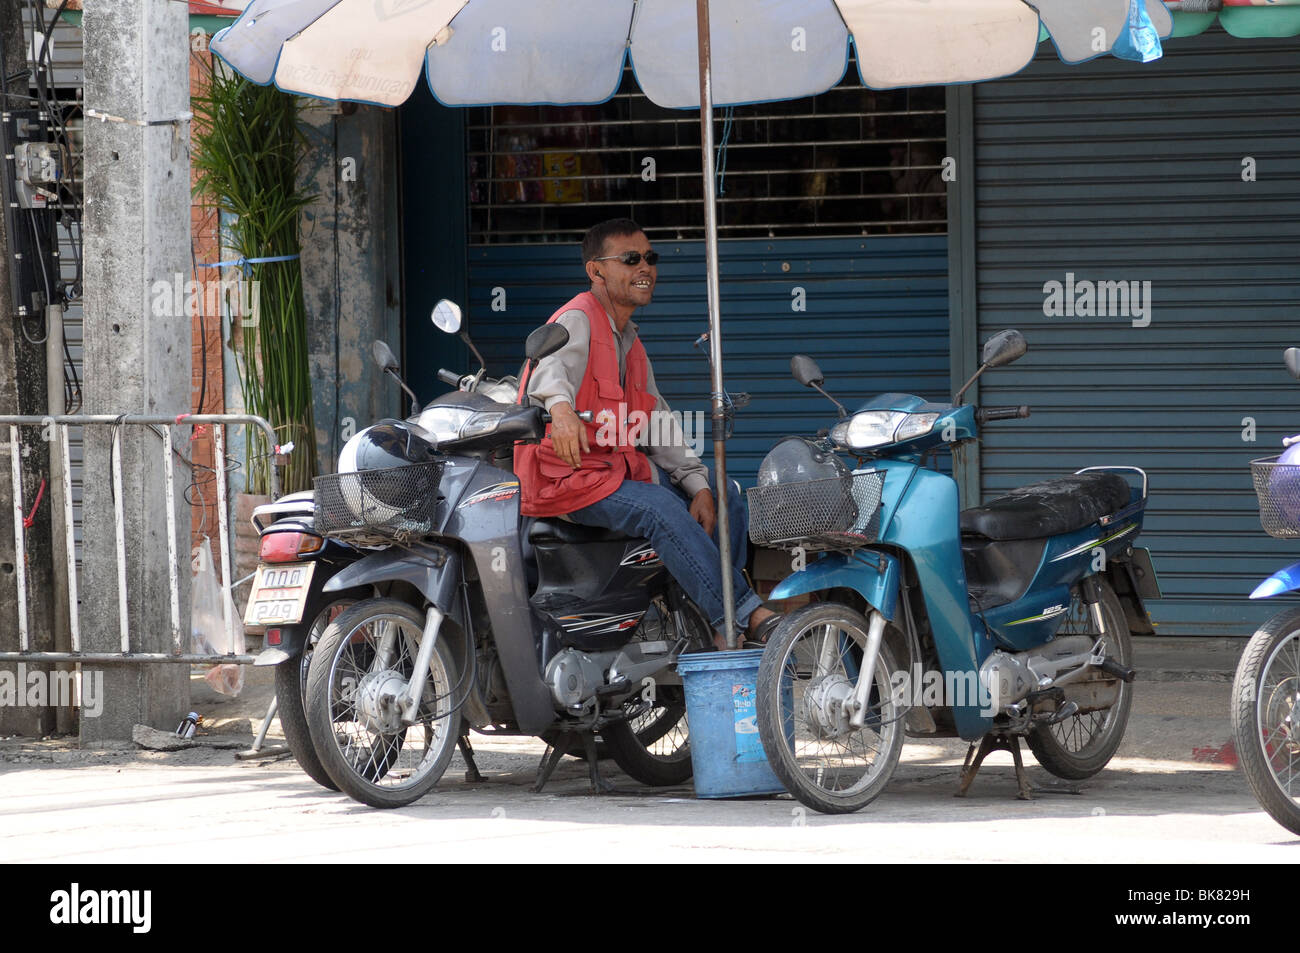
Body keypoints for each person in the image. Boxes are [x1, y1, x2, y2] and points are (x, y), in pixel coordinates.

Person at [514, 218, 779, 649]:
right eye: (630, 259)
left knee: (724, 491)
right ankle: (741, 613)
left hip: (617, 472)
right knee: (656, 508)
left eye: (650, 258)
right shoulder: (578, 317)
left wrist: (696, 484)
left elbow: (658, 420)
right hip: (568, 479)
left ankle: (711, 624)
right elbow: (546, 369)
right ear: (596, 271)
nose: (645, 267)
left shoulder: (631, 343)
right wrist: (560, 410)